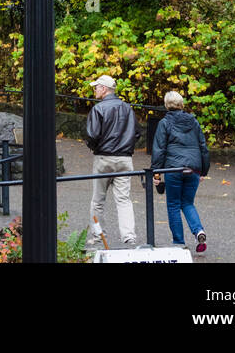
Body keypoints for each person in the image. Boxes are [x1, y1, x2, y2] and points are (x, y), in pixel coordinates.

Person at [151, 90, 210, 254]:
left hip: (174, 169)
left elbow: (159, 150)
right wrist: (203, 170)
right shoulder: (194, 121)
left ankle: (178, 242)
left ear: (166, 105)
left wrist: (156, 173)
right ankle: (199, 230)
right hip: (193, 169)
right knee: (188, 203)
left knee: (173, 205)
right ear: (182, 104)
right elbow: (203, 147)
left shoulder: (164, 123)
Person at [85, 74, 138, 248]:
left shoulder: (98, 109)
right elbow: (137, 133)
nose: (95, 90)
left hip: (104, 158)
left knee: (98, 200)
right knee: (123, 199)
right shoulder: (127, 108)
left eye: (96, 87)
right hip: (125, 159)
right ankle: (129, 236)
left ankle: (98, 235)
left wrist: (93, 147)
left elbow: (92, 135)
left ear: (104, 89)